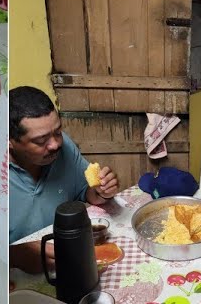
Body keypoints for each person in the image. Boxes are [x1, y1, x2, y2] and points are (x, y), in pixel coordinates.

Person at [8, 86, 120, 274]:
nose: (55, 144)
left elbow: (87, 192)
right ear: (10, 141)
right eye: (40, 140)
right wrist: (14, 255)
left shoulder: (64, 146)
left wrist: (102, 191)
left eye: (58, 132)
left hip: (67, 261)